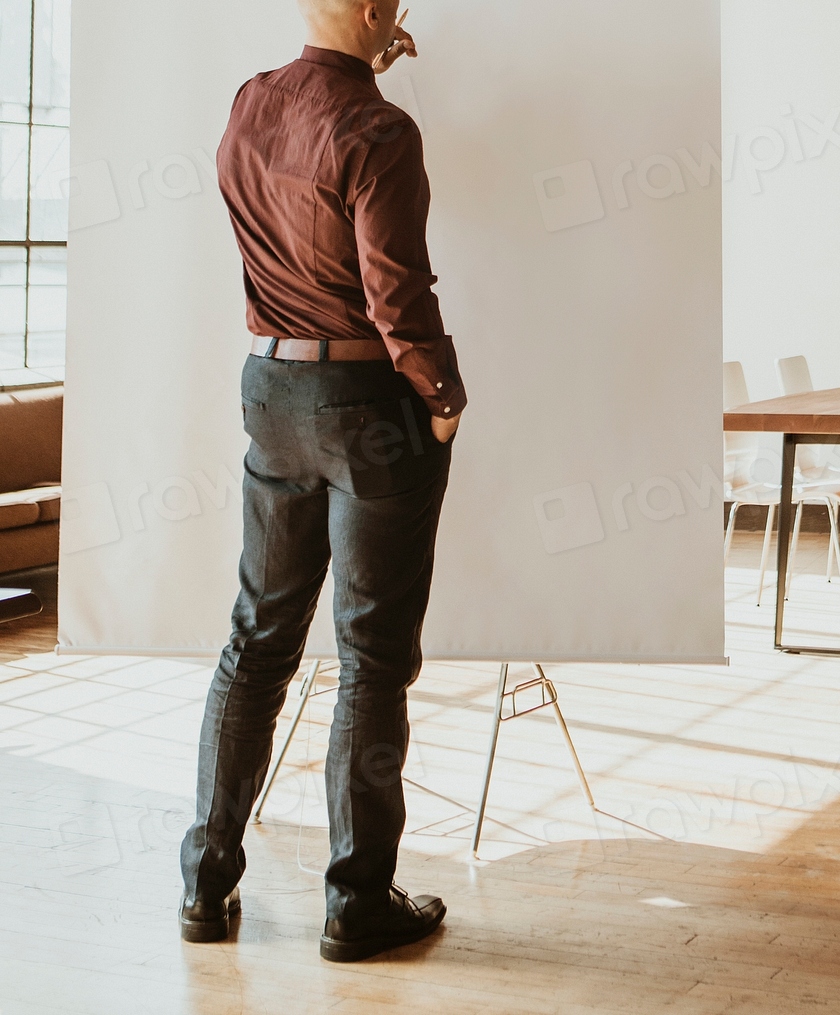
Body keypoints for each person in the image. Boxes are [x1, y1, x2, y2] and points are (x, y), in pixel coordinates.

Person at [178, 0, 465, 963]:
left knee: (255, 641)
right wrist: (442, 393)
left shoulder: (250, 102)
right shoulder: (381, 129)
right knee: (372, 656)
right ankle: (357, 900)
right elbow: (397, 290)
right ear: (380, 11)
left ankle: (205, 884)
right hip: (367, 399)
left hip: (269, 386)